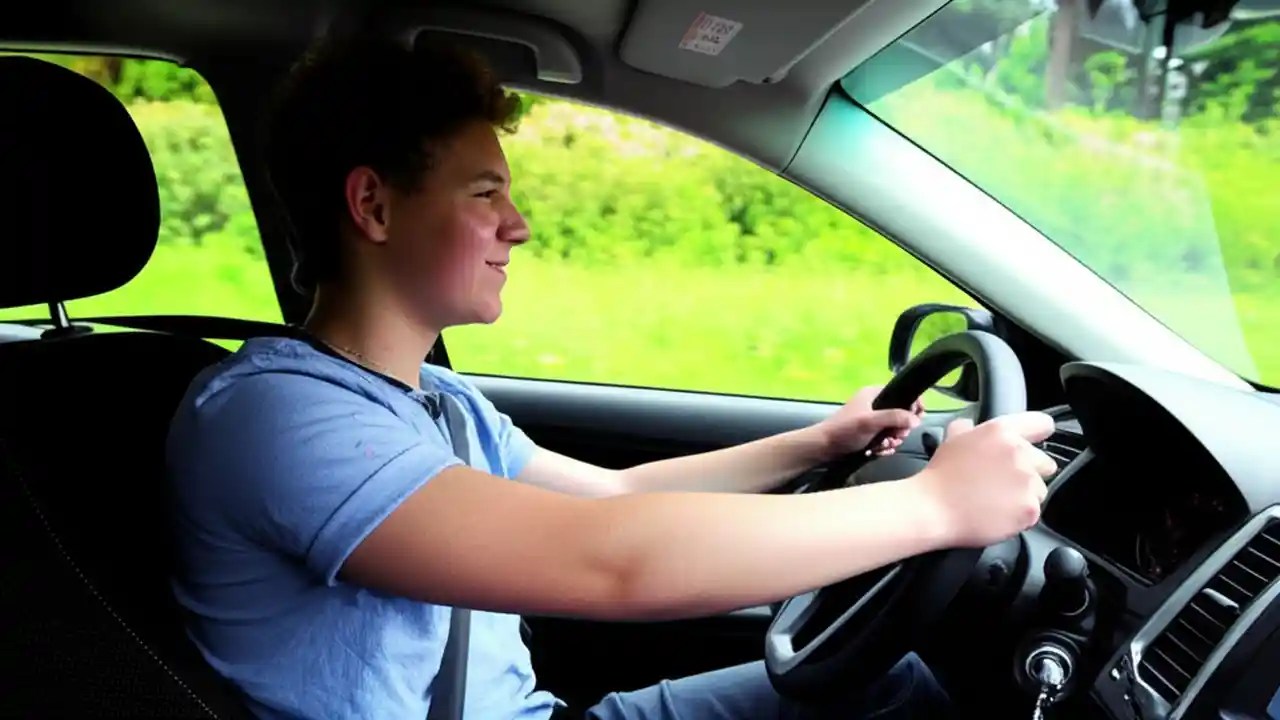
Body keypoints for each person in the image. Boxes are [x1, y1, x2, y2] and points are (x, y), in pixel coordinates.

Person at [164, 34, 1057, 720]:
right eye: (484, 194)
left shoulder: (436, 403)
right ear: (373, 205)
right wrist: (934, 507)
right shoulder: (275, 417)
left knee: (887, 688)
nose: (517, 226)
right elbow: (610, 564)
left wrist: (822, 441)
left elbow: (612, 498)